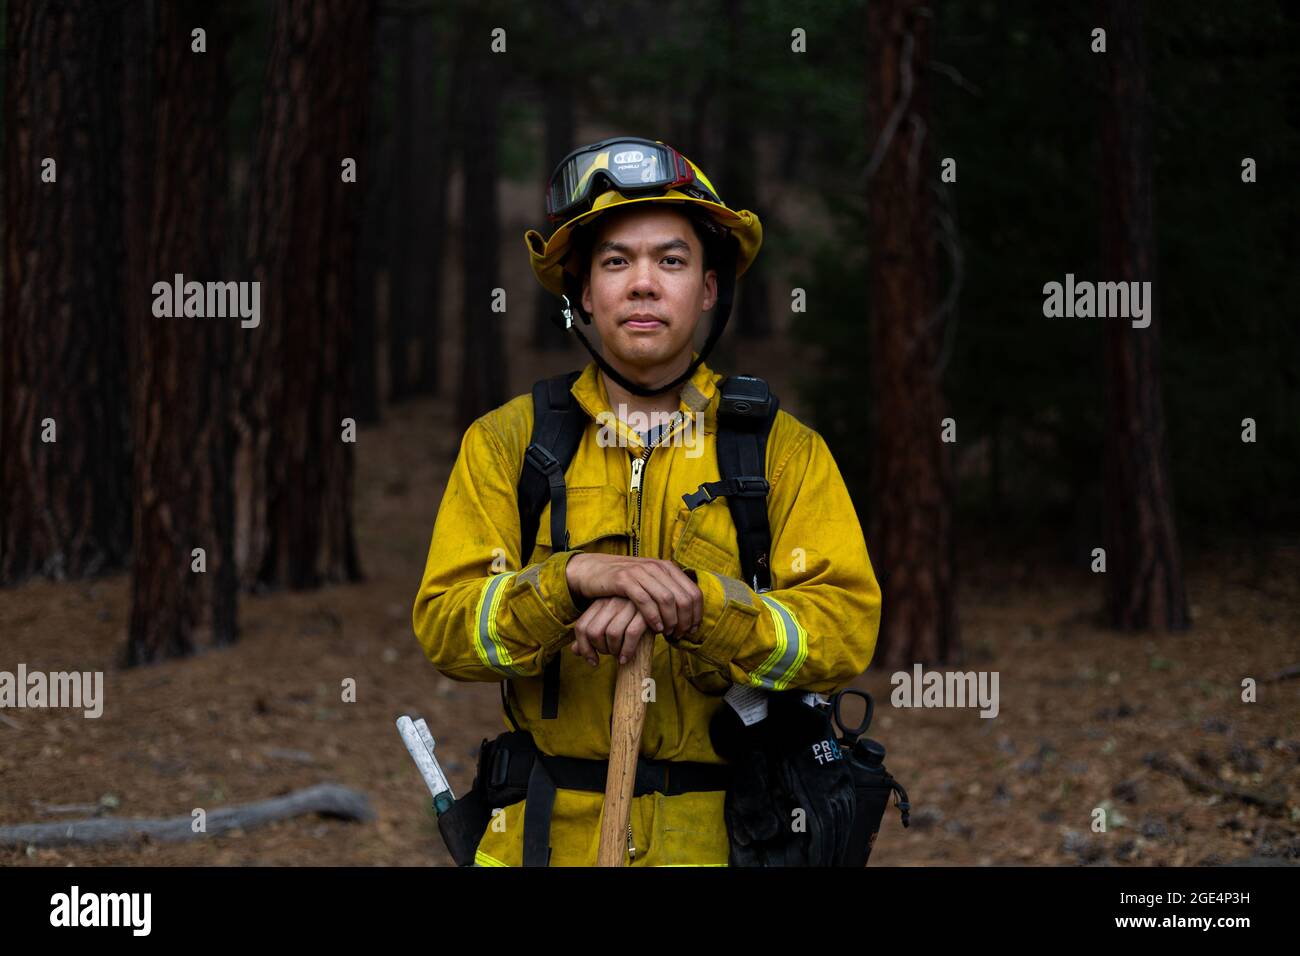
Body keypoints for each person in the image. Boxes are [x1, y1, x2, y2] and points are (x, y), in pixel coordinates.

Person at [412, 137, 881, 866]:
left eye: (671, 260)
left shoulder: (781, 452)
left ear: (708, 288)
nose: (642, 284)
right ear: (583, 296)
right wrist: (569, 580)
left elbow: (845, 630)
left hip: (732, 840)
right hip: (542, 839)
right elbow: (446, 629)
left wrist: (701, 605)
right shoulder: (508, 444)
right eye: (614, 262)